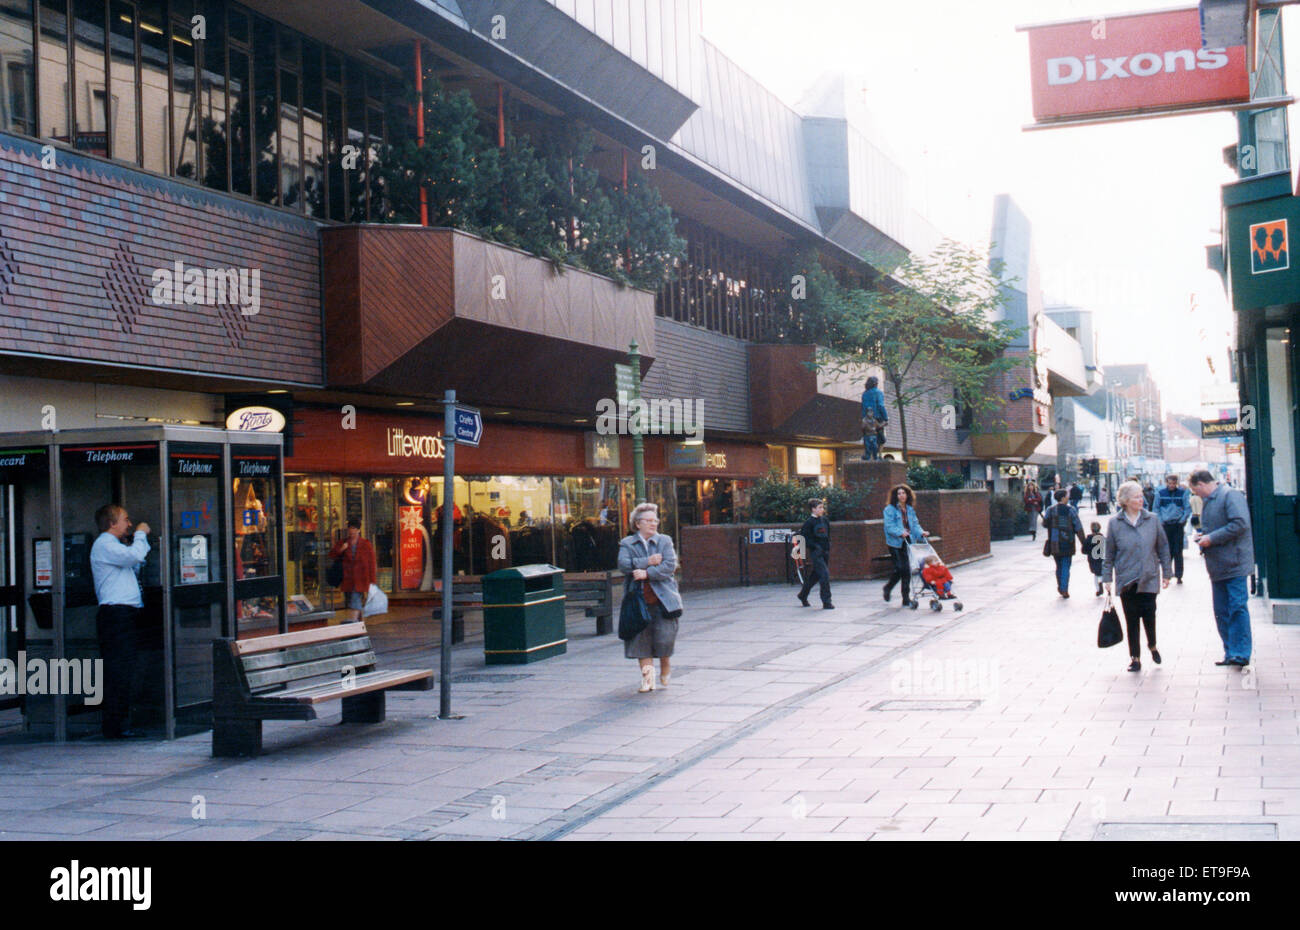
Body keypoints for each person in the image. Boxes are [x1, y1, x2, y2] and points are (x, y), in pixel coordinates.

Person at [90, 504, 151, 739]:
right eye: (125, 519)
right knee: (118, 671)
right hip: (116, 615)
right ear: (112, 523)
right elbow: (135, 555)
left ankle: (120, 722)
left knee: (125, 669)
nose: (129, 523)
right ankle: (115, 726)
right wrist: (141, 534)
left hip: (125, 614)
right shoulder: (104, 544)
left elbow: (135, 562)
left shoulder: (114, 546)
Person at [1103, 481, 1173, 672]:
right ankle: (1135, 657)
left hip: (1149, 577)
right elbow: (1108, 553)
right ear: (1125, 501)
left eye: (1141, 496)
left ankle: (1152, 645)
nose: (1141, 500)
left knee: (1149, 615)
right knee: (1131, 619)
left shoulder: (1152, 519)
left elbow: (1163, 548)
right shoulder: (1115, 523)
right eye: (1136, 497)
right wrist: (1107, 578)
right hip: (1127, 579)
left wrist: (1167, 573)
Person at [1189, 470, 1254, 668]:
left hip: (1234, 564)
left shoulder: (1230, 495)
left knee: (1237, 608)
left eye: (1195, 490)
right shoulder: (1210, 500)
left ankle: (1240, 653)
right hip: (1218, 566)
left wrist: (1211, 538)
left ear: (1201, 484)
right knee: (1222, 611)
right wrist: (1203, 536)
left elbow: (1240, 523)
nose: (1195, 494)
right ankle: (1230, 651)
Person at [619, 503, 683, 692]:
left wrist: (646, 573)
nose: (653, 524)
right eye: (648, 520)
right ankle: (648, 680)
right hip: (638, 601)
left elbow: (669, 566)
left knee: (664, 639)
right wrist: (648, 561)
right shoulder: (627, 543)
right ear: (638, 524)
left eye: (655, 520)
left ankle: (665, 663)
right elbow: (623, 565)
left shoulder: (664, 541)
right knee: (640, 642)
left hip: (663, 601)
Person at [882, 484, 928, 607]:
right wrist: (900, 532)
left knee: (906, 570)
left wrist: (921, 532)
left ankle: (906, 598)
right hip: (895, 542)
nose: (901, 495)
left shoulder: (910, 509)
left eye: (903, 493)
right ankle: (888, 587)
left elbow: (915, 525)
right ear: (895, 496)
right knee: (899, 568)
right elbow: (889, 526)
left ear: (907, 495)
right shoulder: (889, 509)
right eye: (899, 493)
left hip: (907, 541)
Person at [328, 518, 377, 622]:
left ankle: (352, 623)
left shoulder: (366, 544)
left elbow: (371, 563)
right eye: (350, 528)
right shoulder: (343, 542)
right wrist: (341, 549)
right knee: (351, 600)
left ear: (359, 530)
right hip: (347, 578)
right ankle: (360, 625)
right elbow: (332, 555)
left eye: (354, 528)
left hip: (361, 578)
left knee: (354, 600)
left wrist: (372, 582)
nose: (351, 531)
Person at [1041, 488, 1087, 598]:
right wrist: (1084, 543)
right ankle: (1064, 588)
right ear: (1062, 498)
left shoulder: (1050, 510)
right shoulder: (1071, 510)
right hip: (1068, 541)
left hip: (1055, 542)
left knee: (1059, 566)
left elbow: (1044, 524)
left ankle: (1061, 587)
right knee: (1066, 565)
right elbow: (1078, 527)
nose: (1068, 497)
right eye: (1067, 496)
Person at [1152, 474, 1192, 584]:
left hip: (1177, 524)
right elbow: (1156, 508)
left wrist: (1182, 520)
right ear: (1166, 483)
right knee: (1167, 551)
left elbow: (1187, 508)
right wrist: (1160, 521)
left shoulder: (1182, 493)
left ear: (1177, 483)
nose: (1172, 486)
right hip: (1165, 524)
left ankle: (1179, 575)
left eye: (1174, 483)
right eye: (1170, 483)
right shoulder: (1160, 493)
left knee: (1178, 551)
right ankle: (1168, 573)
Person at [796, 498, 834, 610]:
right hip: (816, 553)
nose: (822, 510)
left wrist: (828, 546)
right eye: (819, 508)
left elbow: (828, 535)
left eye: (822, 507)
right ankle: (827, 602)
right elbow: (803, 539)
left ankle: (802, 595)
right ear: (813, 509)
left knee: (815, 576)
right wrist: (815, 547)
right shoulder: (809, 523)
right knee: (824, 575)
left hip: (825, 552)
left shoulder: (825, 520)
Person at [860, 376, 888, 461]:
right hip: (877, 417)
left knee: (868, 437)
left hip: (866, 419)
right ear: (876, 384)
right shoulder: (878, 392)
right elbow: (880, 405)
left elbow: (863, 407)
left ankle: (868, 455)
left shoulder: (865, 394)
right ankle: (878, 456)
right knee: (880, 439)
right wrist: (886, 418)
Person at [1085, 521, 1106, 597]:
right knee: (1100, 573)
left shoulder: (1089, 539)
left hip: (1092, 560)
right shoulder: (1102, 538)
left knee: (1096, 574)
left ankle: (1098, 589)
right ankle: (1100, 583)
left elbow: (1084, 550)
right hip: (1101, 559)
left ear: (1091, 529)